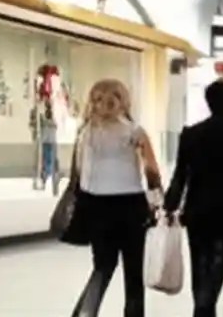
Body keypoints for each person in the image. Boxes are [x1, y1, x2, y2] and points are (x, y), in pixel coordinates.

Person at [164, 80, 223, 317]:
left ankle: (202, 308)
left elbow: (180, 175)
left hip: (197, 211)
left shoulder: (190, 134)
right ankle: (204, 309)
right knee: (217, 265)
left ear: (208, 102)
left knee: (200, 265)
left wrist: (171, 204)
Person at [69, 79, 163, 317]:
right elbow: (151, 171)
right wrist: (158, 201)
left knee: (102, 267)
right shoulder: (135, 132)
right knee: (133, 272)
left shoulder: (85, 133)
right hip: (131, 206)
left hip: (97, 206)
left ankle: (84, 313)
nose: (105, 103)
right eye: (101, 98)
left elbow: (80, 174)